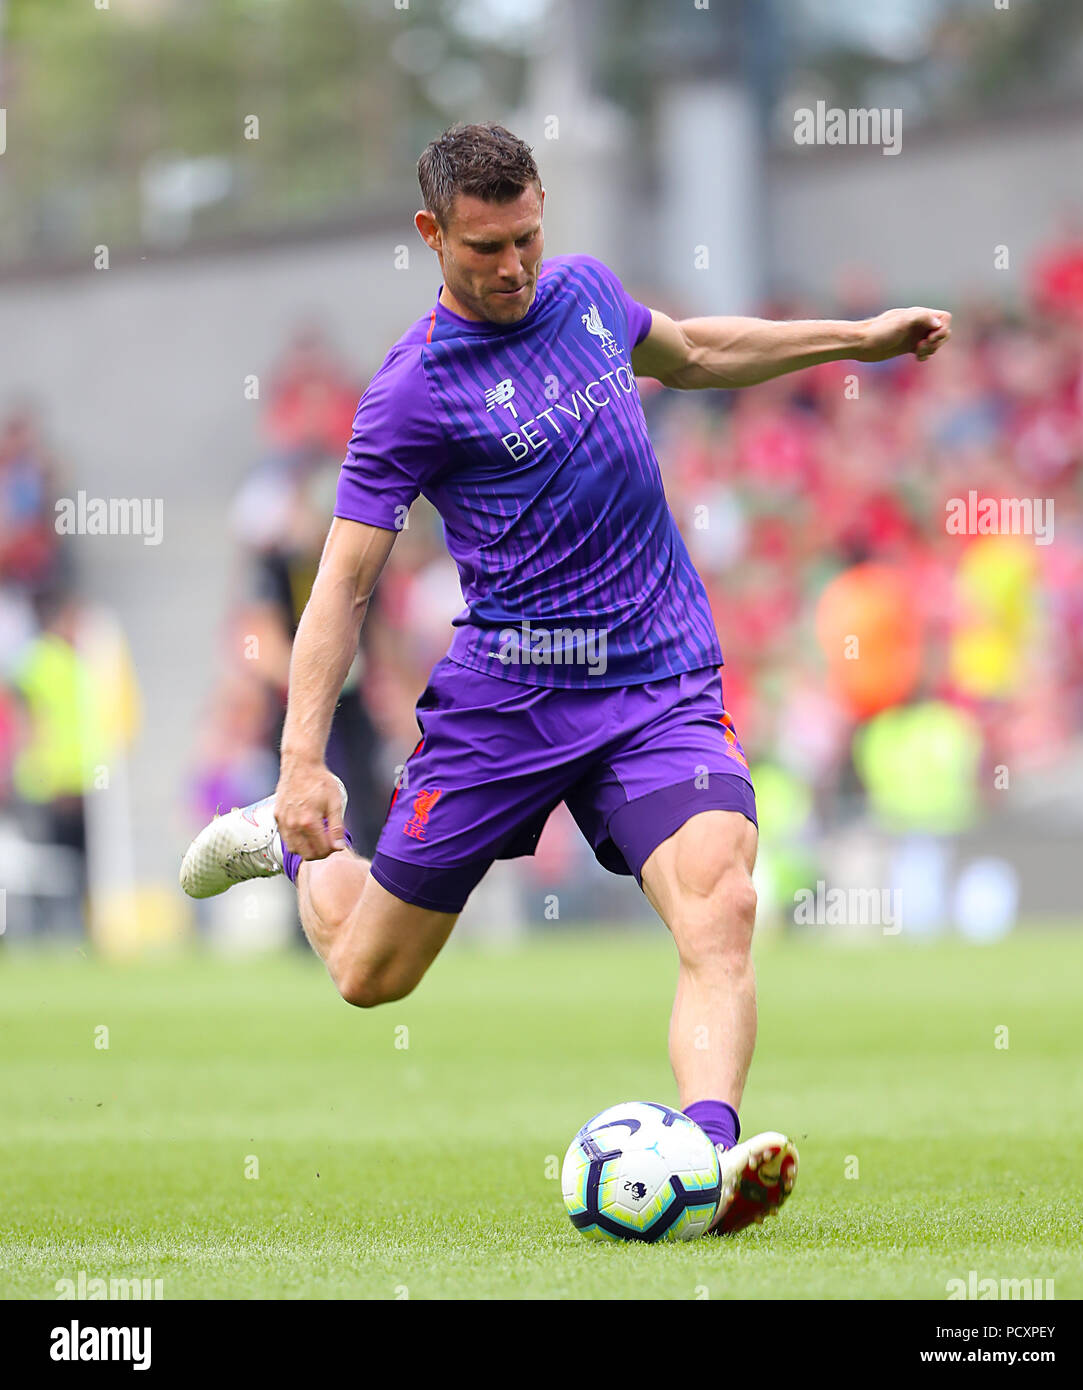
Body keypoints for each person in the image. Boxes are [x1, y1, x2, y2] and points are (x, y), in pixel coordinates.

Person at [180, 122, 951, 1234]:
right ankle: (294, 844)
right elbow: (342, 585)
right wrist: (301, 764)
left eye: (528, 238)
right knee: (367, 973)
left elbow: (690, 350)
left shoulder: (584, 295)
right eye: (485, 248)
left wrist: (856, 340)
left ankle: (709, 1158)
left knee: (722, 903)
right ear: (431, 234)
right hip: (511, 699)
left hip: (657, 679)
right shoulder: (409, 393)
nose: (513, 268)